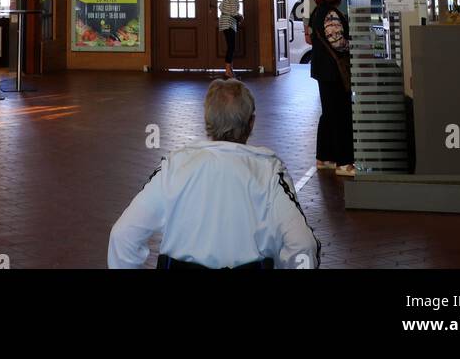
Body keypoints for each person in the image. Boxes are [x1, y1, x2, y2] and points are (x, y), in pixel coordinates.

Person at [108, 79, 320, 269]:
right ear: (251, 122)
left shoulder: (174, 167)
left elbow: (123, 236)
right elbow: (303, 245)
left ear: (207, 119)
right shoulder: (270, 173)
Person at [309, 0, 354, 177]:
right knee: (341, 115)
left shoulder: (317, 12)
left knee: (328, 114)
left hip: (321, 69)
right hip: (333, 70)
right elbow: (337, 42)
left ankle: (324, 157)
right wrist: (354, 45)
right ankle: (344, 162)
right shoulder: (332, 14)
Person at [218, 0, 249, 78]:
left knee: (231, 47)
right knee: (231, 47)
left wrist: (237, 15)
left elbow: (221, 6)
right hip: (228, 23)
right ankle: (228, 71)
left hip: (226, 22)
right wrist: (241, 16)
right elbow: (233, 12)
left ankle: (230, 70)